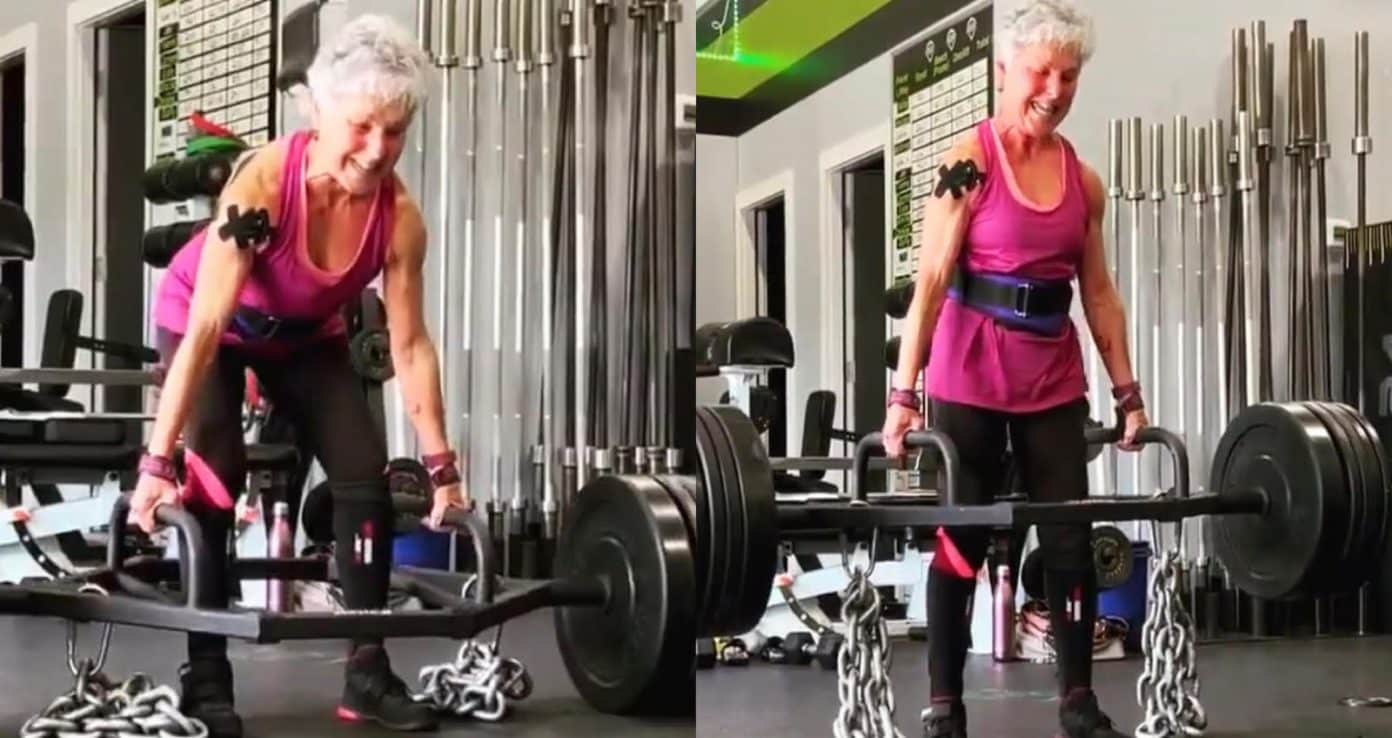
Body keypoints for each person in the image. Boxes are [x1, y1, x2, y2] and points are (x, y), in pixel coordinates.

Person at [131, 15, 464, 737]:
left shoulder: (399, 217)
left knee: (363, 471)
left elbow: (410, 345)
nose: (376, 150)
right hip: (210, 325)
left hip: (306, 336)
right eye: (362, 126)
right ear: (319, 110)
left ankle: (367, 671)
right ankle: (206, 673)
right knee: (216, 473)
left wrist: (443, 467)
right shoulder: (261, 187)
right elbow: (208, 329)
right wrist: (157, 463)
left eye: (395, 131)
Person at [881, 2, 1146, 737]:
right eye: (1041, 72)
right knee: (962, 539)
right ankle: (944, 705)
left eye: (1069, 76)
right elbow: (931, 281)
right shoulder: (966, 164)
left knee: (1067, 538)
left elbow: (1099, 294)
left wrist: (1128, 393)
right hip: (968, 374)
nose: (1055, 90)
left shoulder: (1083, 182)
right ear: (1004, 71)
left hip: (1051, 378)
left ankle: (1078, 702)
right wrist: (903, 395)